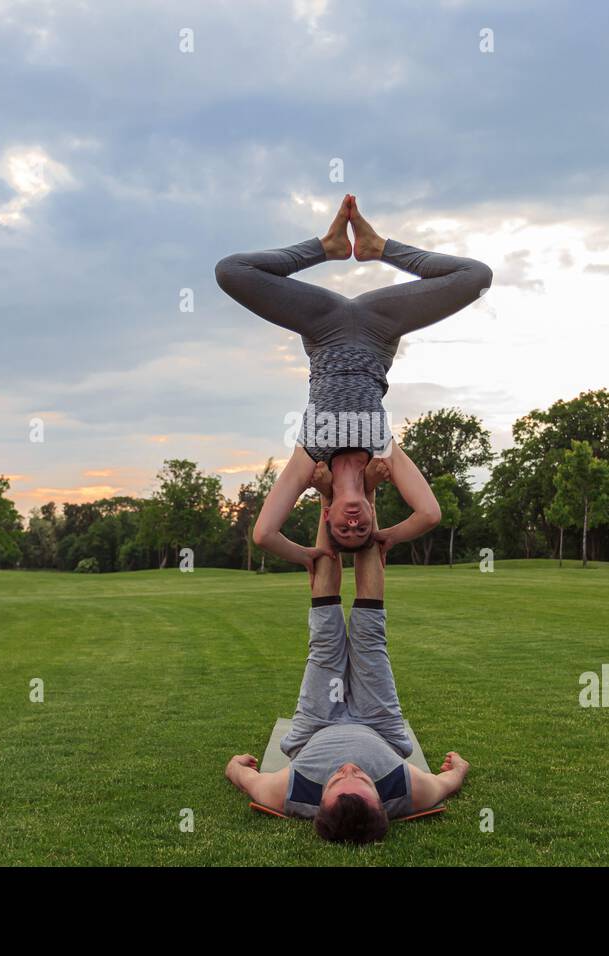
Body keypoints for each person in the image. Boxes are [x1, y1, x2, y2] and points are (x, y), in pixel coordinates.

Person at [215, 194, 492, 569]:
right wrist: (386, 538)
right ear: (369, 516)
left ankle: (326, 247)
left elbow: (264, 534)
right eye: (361, 530)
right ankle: (378, 247)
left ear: (326, 516)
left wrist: (308, 556)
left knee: (230, 271)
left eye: (344, 531)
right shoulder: (384, 458)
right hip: (379, 329)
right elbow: (429, 514)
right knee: (476, 277)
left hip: (322, 325)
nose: (353, 524)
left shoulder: (309, 460)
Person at [223, 475, 471, 844]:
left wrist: (235, 769)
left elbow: (246, 779)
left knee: (326, 639)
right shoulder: (408, 793)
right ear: (382, 802)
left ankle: (327, 494)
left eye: (339, 779)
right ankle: (367, 493)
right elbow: (446, 784)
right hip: (379, 727)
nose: (351, 769)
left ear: (319, 800)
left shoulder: (289, 793)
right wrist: (460, 770)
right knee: (369, 638)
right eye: (366, 780)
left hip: (316, 726)